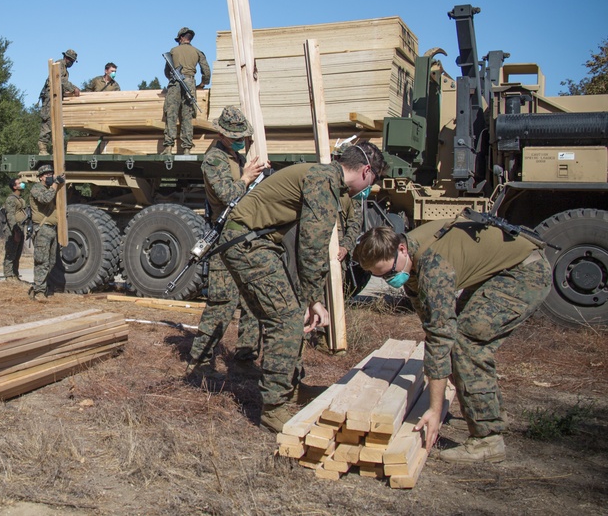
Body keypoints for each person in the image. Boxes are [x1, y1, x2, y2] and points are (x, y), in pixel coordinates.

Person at [219, 140, 385, 433]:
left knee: (288, 315)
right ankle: (274, 408)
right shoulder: (325, 181)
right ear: (366, 171)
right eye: (375, 180)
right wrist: (314, 300)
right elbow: (312, 246)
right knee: (286, 321)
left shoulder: (322, 175)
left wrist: (308, 298)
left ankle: (290, 389)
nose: (372, 186)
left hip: (253, 243)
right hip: (246, 243)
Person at [353, 219, 551, 463]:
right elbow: (430, 320)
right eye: (381, 277)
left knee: (467, 343)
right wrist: (442, 361)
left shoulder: (434, 266)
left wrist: (434, 410)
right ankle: (490, 413)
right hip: (498, 272)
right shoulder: (409, 259)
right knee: (456, 343)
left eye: (390, 273)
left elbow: (440, 335)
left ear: (401, 249)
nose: (389, 280)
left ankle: (488, 440)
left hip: (523, 272)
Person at [187, 107, 266, 379]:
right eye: (235, 136)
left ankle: (245, 357)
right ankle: (199, 363)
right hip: (223, 238)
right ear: (221, 134)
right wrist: (246, 178)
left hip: (243, 235)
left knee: (252, 299)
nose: (240, 139)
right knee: (222, 303)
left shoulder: (236, 155)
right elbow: (225, 194)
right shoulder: (214, 159)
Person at [162, 27, 210, 156]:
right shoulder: (198, 52)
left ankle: (168, 148)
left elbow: (167, 70)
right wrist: (203, 83)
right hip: (190, 82)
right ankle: (187, 149)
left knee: (171, 114)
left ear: (181, 38)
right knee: (187, 116)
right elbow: (206, 70)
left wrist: (171, 78)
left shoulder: (173, 50)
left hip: (174, 83)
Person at [28, 164, 66, 301]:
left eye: (51, 174)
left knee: (51, 261)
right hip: (42, 229)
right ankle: (39, 291)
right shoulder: (37, 189)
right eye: (47, 175)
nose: (49, 176)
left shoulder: (49, 189)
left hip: (51, 229)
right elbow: (45, 199)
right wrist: (55, 184)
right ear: (41, 177)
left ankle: (43, 287)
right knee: (41, 261)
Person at [38, 48, 81, 155]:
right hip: (50, 96)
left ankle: (55, 149)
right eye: (71, 60)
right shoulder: (58, 65)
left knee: (57, 122)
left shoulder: (64, 68)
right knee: (48, 120)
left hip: (56, 96)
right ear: (67, 58)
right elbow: (59, 79)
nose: (72, 63)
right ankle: (42, 148)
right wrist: (73, 88)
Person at [2, 176, 28, 282]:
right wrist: (15, 230)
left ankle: (15, 274)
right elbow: (10, 216)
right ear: (14, 186)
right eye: (19, 183)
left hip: (21, 228)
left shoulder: (20, 199)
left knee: (17, 253)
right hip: (13, 230)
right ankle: (8, 275)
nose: (22, 184)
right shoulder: (11, 199)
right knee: (10, 253)